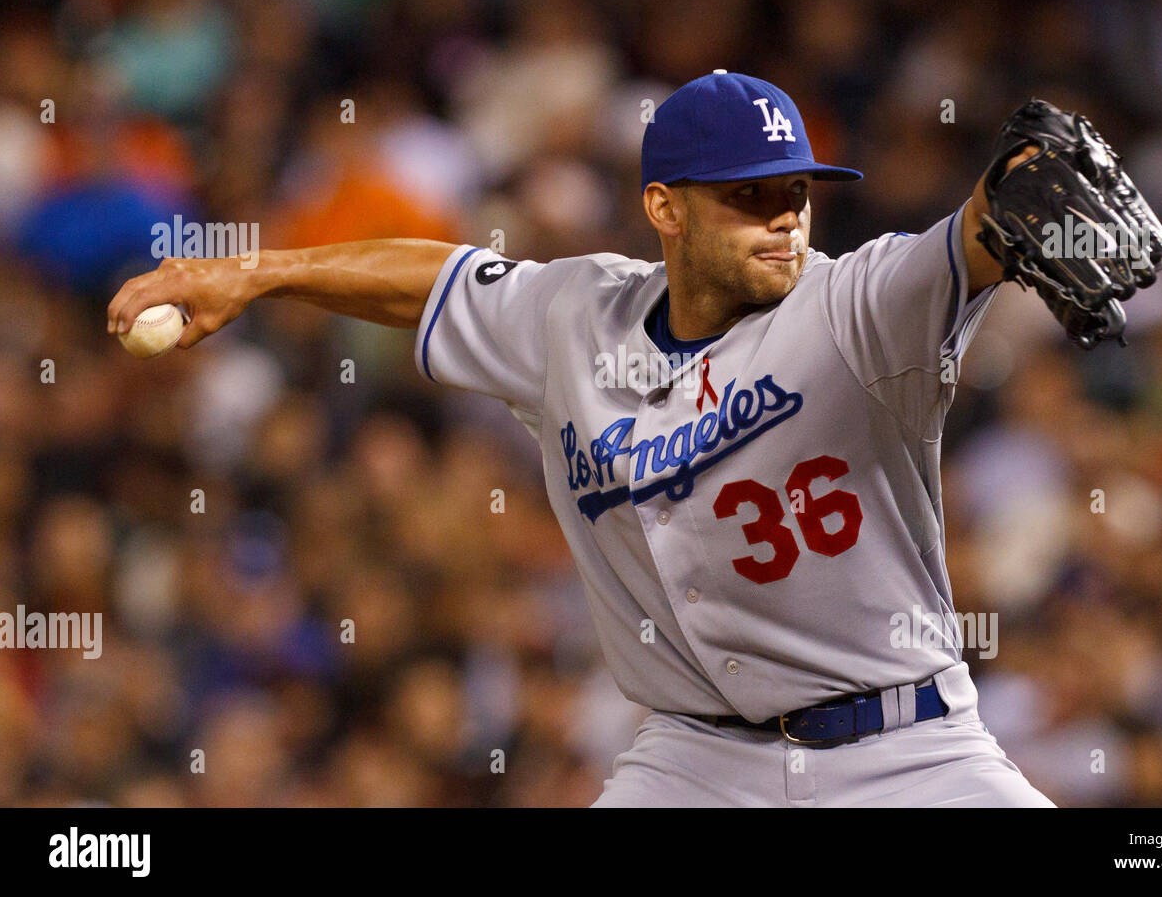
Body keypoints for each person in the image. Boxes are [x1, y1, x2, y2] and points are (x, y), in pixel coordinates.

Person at [109, 71, 1053, 806]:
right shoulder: (577, 315)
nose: (785, 219)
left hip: (907, 751)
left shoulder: (856, 305)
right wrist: (258, 273)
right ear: (665, 208)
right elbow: (433, 280)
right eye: (749, 194)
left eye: (797, 190)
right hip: (696, 761)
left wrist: (1013, 199)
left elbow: (967, 238)